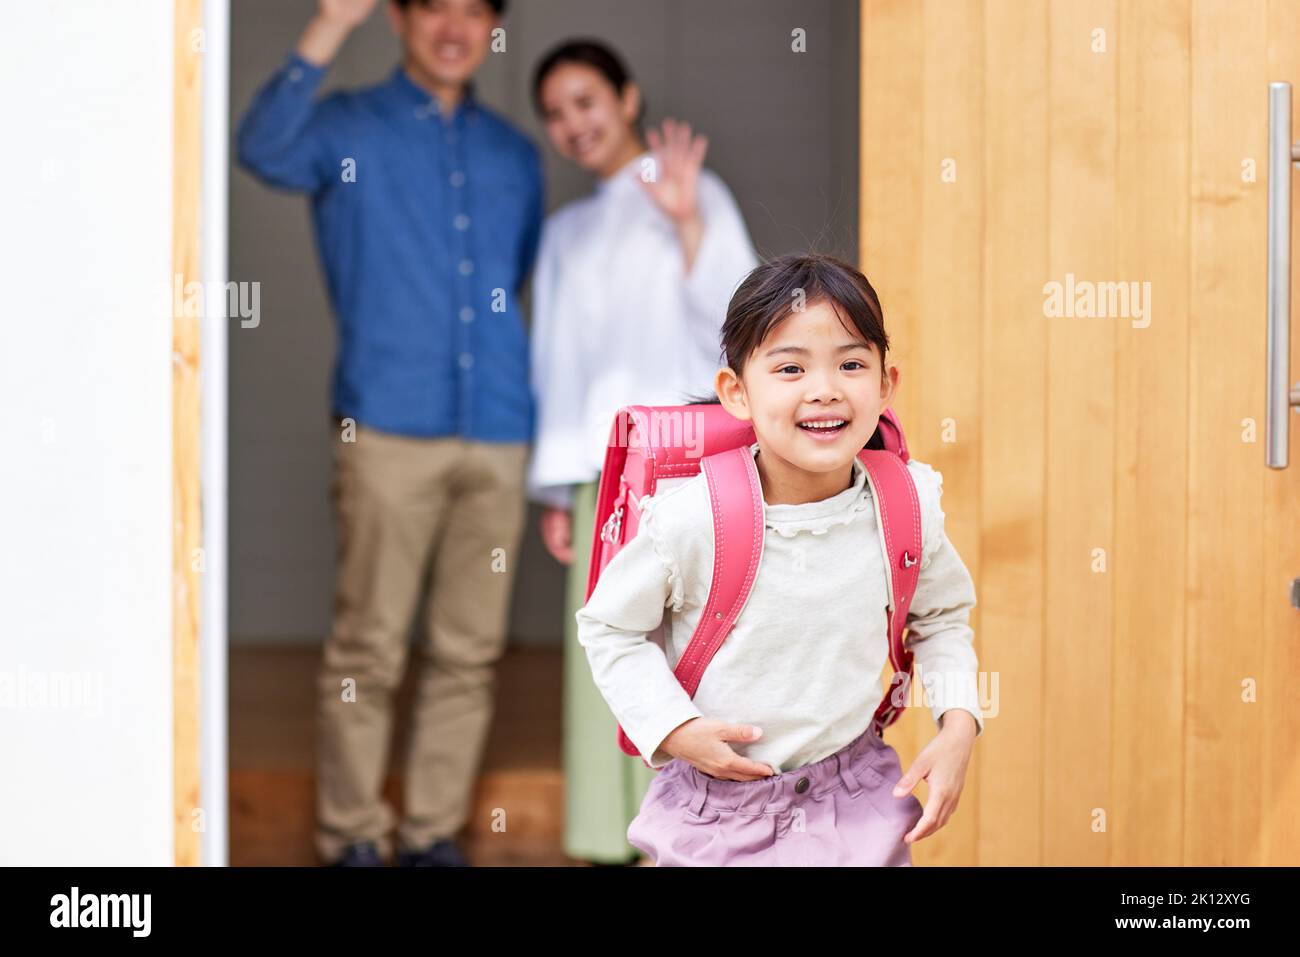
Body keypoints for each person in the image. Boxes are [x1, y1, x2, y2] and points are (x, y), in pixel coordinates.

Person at [235, 0, 543, 867]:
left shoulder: (512, 156)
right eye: (433, 7)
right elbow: (259, 146)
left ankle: (433, 836)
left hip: (497, 428)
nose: (454, 26)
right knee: (366, 647)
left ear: (492, 27)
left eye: (474, 11)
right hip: (386, 425)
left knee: (468, 652)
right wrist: (329, 25)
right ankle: (352, 838)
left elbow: (515, 285)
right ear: (401, 19)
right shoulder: (343, 128)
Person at [575, 254, 985, 866]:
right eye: (790, 368)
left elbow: (943, 618)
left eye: (851, 364)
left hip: (857, 798)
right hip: (717, 814)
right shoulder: (693, 517)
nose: (824, 388)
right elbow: (609, 626)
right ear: (736, 393)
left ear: (885, 385)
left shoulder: (906, 502)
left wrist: (958, 727)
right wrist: (673, 729)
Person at [525, 39, 758, 864]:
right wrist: (557, 490)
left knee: (694, 647)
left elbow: (741, 329)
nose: (572, 124)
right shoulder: (566, 232)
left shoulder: (696, 196)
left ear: (627, 98)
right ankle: (605, 836)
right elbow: (555, 358)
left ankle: (693, 839)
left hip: (692, 467)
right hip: (602, 475)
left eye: (585, 101)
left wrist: (689, 220)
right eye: (555, 113)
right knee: (611, 647)